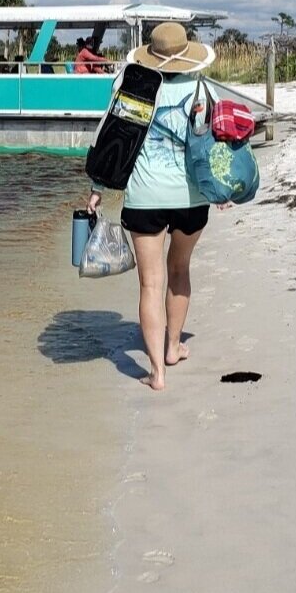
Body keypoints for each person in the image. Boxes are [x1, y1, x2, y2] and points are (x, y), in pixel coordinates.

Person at [84, 22, 220, 392]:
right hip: (192, 196)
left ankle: (157, 373)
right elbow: (213, 145)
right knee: (179, 270)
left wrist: (98, 188)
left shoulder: (130, 86)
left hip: (145, 198)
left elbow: (112, 141)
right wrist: (221, 191)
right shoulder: (202, 89)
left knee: (150, 283)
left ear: (151, 54)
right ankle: (173, 347)